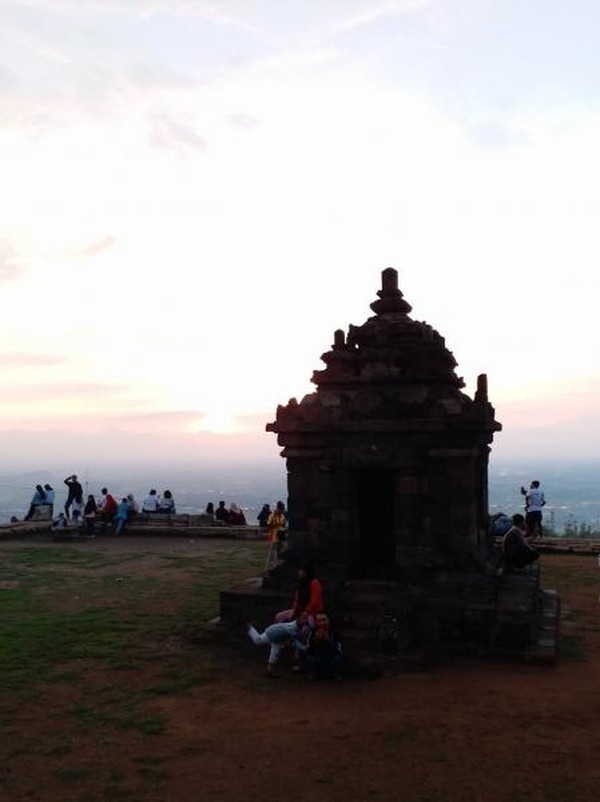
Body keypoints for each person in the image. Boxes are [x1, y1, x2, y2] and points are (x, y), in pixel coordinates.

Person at [305, 611, 344, 681]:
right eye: (320, 621)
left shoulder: (334, 631)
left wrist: (328, 640)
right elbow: (307, 648)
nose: (323, 623)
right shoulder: (312, 632)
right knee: (310, 656)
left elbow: (339, 648)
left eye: (324, 620)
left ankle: (337, 674)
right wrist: (315, 640)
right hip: (318, 656)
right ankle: (312, 674)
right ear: (316, 622)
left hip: (331, 656)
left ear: (328, 620)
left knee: (339, 656)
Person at [265, 500, 288, 570]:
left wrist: (283, 528)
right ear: (278, 508)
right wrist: (276, 525)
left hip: (281, 536)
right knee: (272, 552)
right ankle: (269, 567)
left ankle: (278, 565)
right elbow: (268, 526)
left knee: (281, 550)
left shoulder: (282, 516)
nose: (282, 511)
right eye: (281, 510)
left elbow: (283, 524)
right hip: (274, 536)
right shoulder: (272, 515)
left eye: (282, 510)